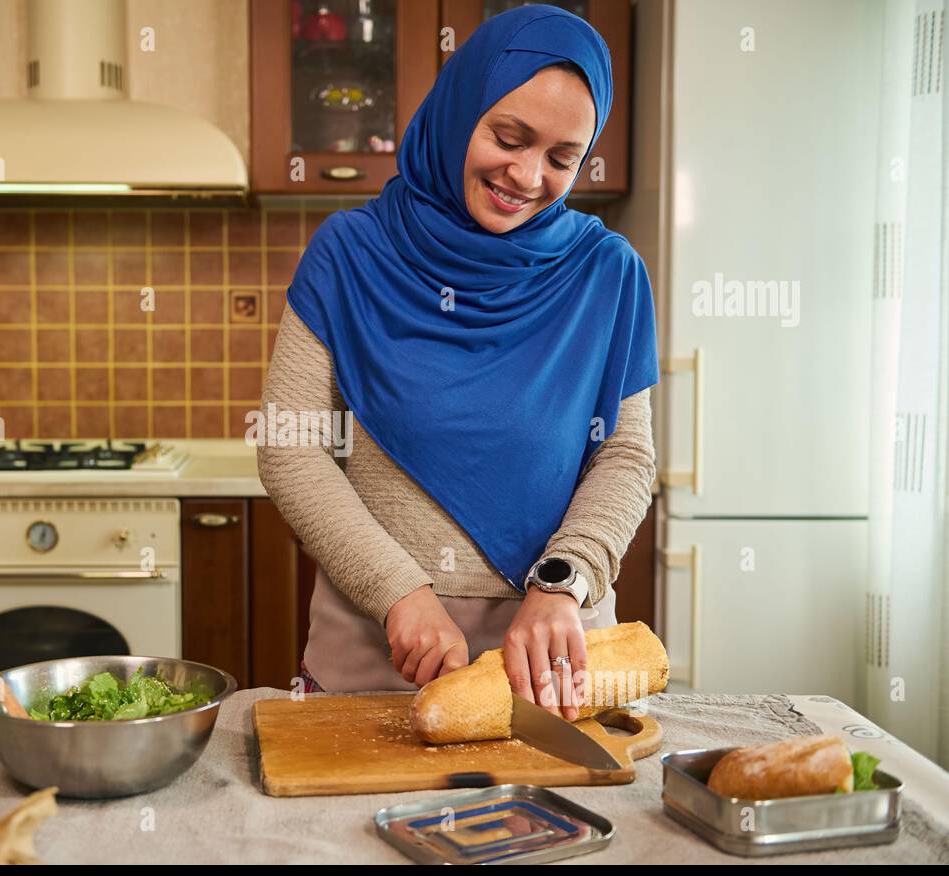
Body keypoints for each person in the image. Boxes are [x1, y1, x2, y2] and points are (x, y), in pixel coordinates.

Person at [257, 4, 658, 722]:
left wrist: (562, 583)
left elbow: (626, 454)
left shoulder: (607, 272)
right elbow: (291, 449)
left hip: (554, 678)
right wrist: (399, 591)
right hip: (373, 665)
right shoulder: (348, 253)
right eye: (509, 136)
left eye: (562, 158)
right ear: (460, 108)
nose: (527, 175)